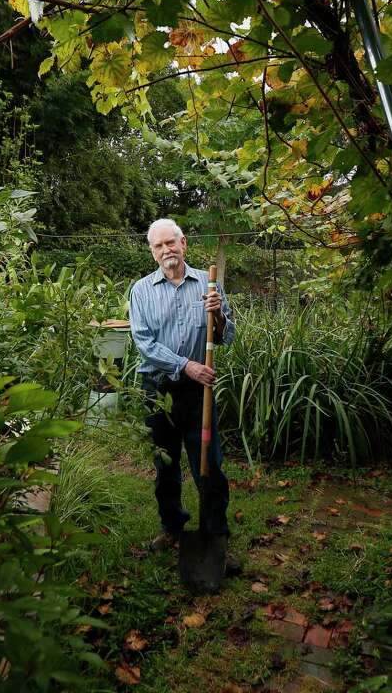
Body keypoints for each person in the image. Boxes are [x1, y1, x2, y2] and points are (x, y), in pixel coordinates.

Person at [128, 218, 240, 575]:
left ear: (184, 243)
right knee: (165, 467)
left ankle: (215, 537)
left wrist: (218, 316)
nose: (166, 251)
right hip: (157, 391)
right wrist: (187, 365)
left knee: (209, 466)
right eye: (158, 246)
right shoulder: (141, 291)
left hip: (197, 394)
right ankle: (172, 527)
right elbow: (145, 344)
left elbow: (227, 335)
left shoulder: (208, 286)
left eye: (170, 244)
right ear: (152, 251)